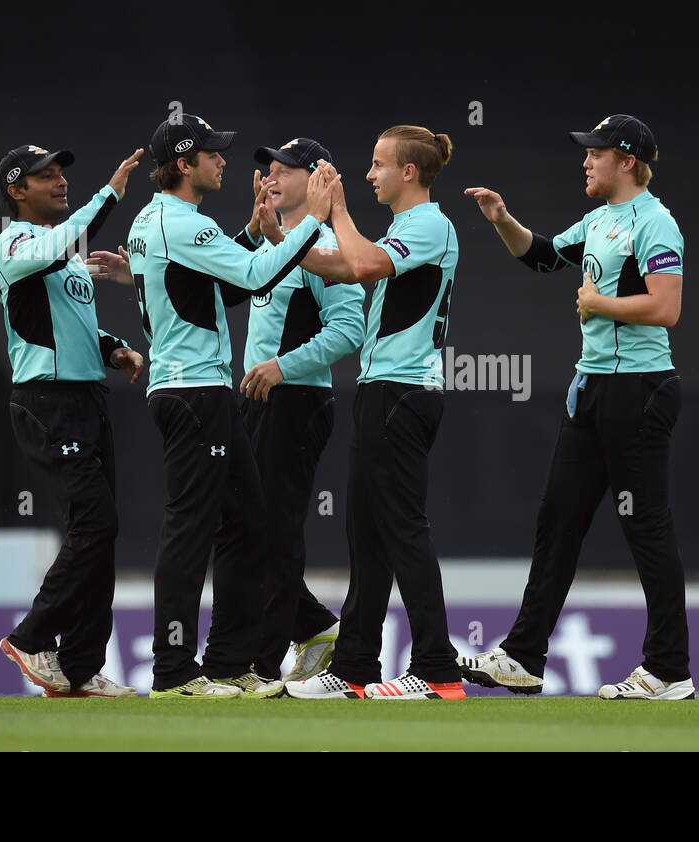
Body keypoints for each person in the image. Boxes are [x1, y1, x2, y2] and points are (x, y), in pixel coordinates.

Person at [460, 114, 695, 700]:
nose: (586, 160)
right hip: (591, 389)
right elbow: (541, 257)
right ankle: (523, 656)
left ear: (628, 161)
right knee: (558, 521)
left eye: (596, 152)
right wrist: (502, 220)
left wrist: (600, 302)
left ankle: (669, 670)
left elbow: (667, 309)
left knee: (647, 528)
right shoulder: (600, 219)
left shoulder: (656, 223)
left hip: (639, 391)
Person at [118, 114, 337, 698]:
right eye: (212, 154)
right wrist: (311, 220)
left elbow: (225, 286)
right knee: (193, 528)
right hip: (193, 392)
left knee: (247, 524)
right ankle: (172, 670)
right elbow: (257, 274)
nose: (226, 162)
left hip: (199, 390)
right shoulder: (181, 221)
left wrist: (248, 233)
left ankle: (232, 663)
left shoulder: (162, 219)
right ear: (184, 165)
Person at [284, 125, 464, 701]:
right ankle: (355, 667)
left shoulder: (430, 224)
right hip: (382, 388)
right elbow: (342, 266)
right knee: (366, 531)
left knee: (402, 529)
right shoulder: (404, 228)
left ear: (408, 172)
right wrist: (284, 240)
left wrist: (334, 208)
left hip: (403, 393)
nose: (368, 175)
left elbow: (359, 266)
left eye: (378, 164)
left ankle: (437, 668)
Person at [0, 143, 145, 698]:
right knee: (95, 523)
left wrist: (117, 350)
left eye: (61, 174)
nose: (59, 182)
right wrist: (111, 193)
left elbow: (75, 330)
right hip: (46, 403)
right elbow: (60, 242)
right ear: (16, 191)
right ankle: (32, 638)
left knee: (101, 532)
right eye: (44, 176)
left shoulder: (66, 258)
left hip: (87, 402)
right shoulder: (12, 244)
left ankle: (79, 668)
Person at [233, 137, 366, 695]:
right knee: (249, 527)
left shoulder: (326, 246)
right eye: (267, 168)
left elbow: (348, 330)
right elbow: (230, 286)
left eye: (284, 170)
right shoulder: (278, 243)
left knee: (275, 529)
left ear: (316, 179)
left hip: (295, 400)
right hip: (261, 400)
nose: (269, 175)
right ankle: (312, 627)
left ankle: (262, 665)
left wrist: (283, 368)